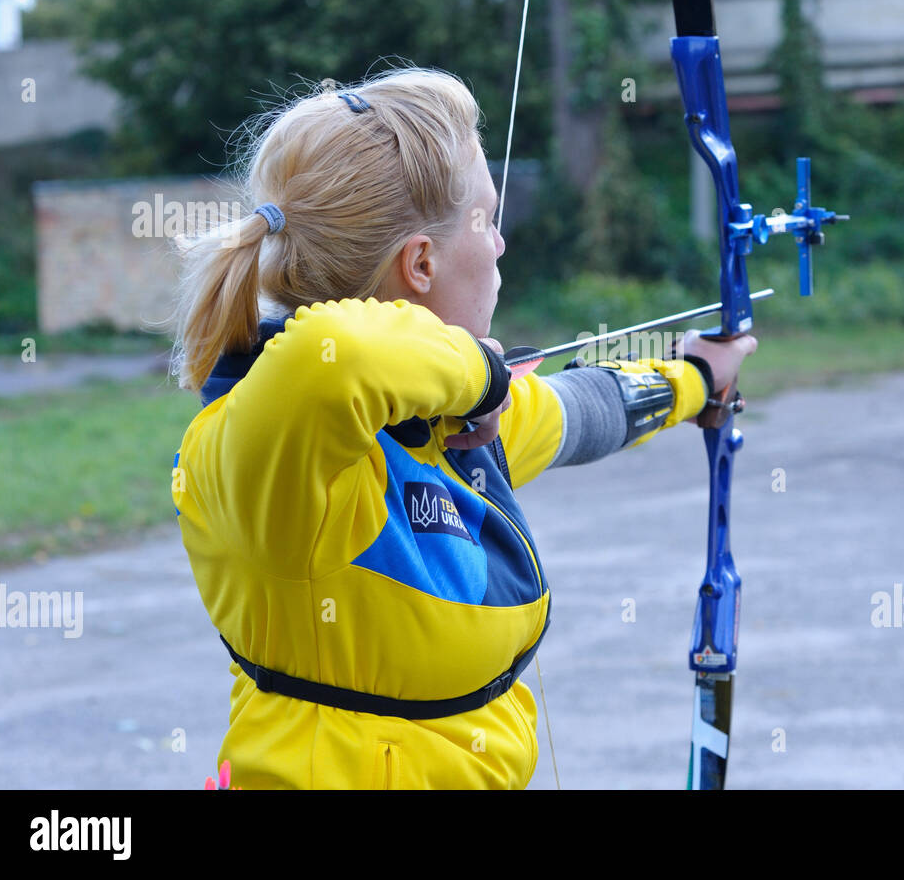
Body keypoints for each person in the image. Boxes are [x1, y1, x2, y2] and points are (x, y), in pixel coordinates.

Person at [169, 67, 756, 789]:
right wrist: (478, 373)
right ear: (420, 263)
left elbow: (583, 408)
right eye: (488, 219)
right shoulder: (269, 449)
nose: (502, 245)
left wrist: (698, 377)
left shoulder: (445, 423)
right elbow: (336, 361)